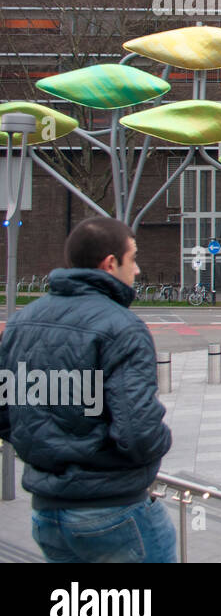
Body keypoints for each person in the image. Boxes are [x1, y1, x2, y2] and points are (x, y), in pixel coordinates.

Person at [0, 216, 176, 563]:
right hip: (114, 510)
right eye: (133, 257)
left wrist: (44, 450)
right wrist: (160, 442)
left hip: (48, 512)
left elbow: (6, 413)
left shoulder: (22, 321)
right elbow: (138, 432)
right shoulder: (122, 328)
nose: (137, 270)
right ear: (111, 263)